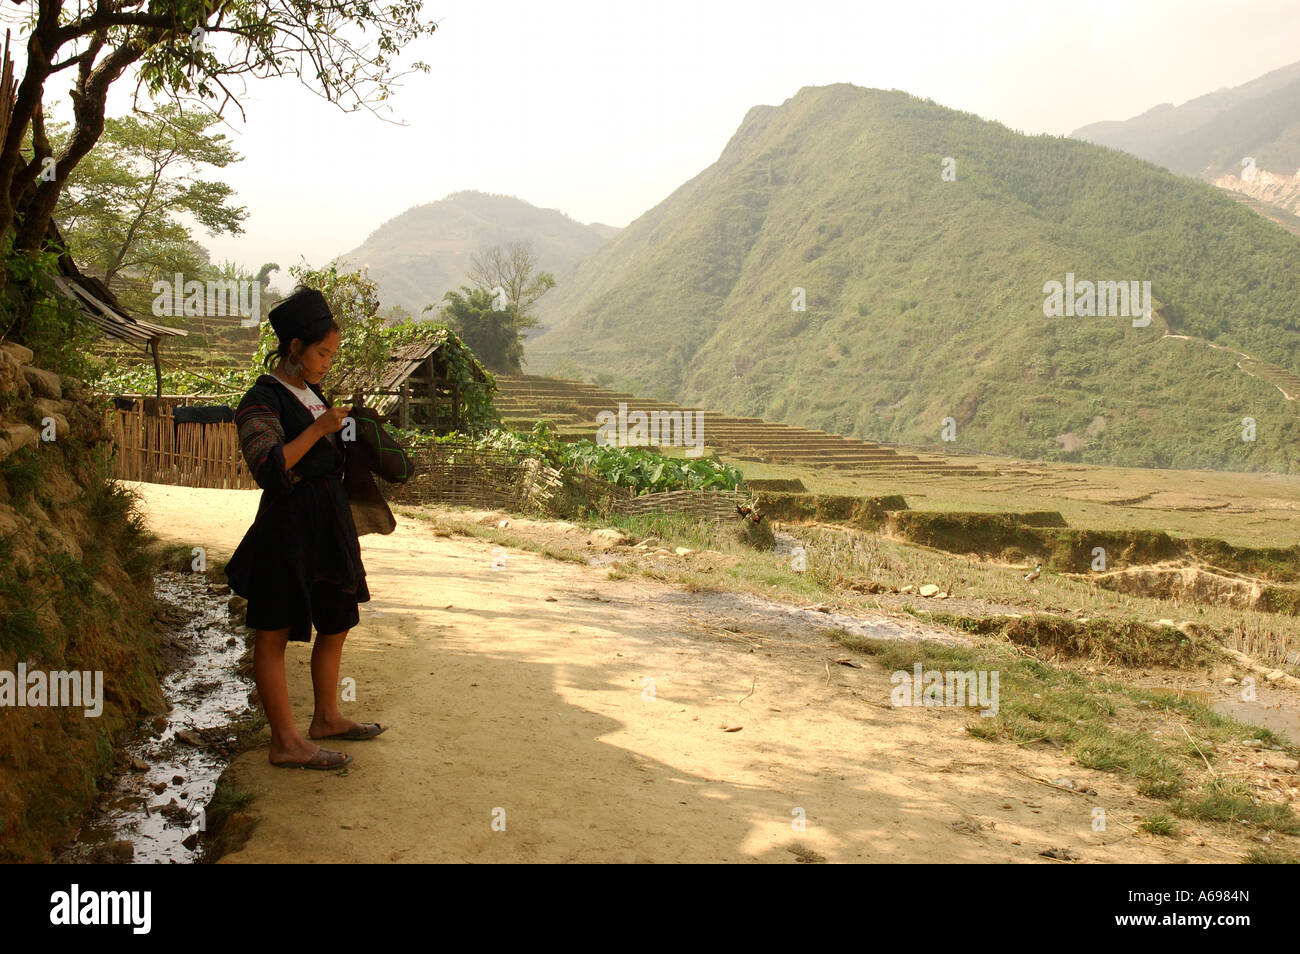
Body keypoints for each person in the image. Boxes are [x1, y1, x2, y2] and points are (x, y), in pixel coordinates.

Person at [225, 285, 387, 770]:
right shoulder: (261, 399)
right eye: (321, 352)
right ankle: (285, 741)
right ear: (294, 347)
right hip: (286, 526)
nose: (326, 364)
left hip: (327, 522)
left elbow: (325, 455)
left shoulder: (313, 393)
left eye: (332, 355)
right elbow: (269, 466)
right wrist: (318, 430)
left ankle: (327, 718)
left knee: (337, 620)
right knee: (273, 633)